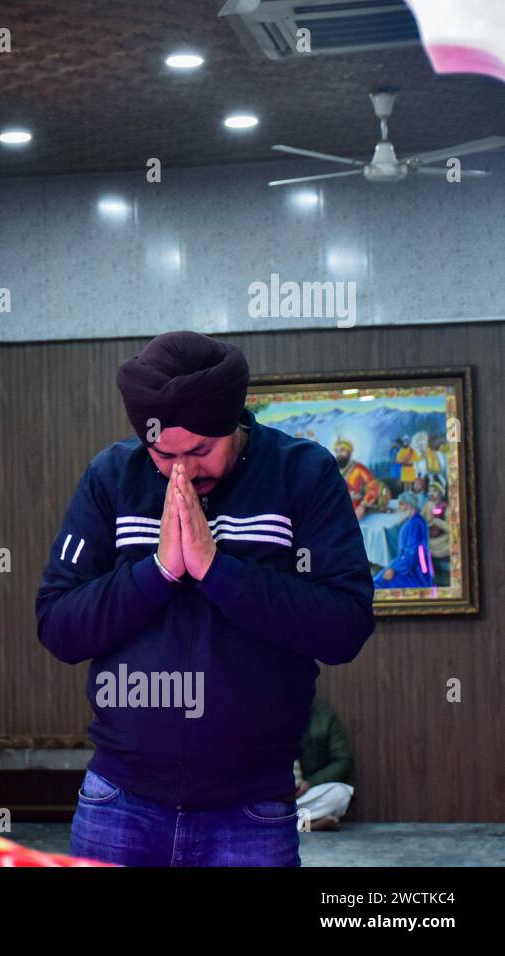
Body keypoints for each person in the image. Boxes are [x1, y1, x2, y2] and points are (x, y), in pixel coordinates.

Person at [36, 330, 375, 866]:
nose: (183, 472)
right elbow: (58, 625)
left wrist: (219, 571)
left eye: (200, 450)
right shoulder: (111, 476)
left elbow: (345, 626)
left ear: (234, 421)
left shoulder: (302, 473)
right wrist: (158, 572)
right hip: (119, 800)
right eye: (162, 453)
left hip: (250, 809)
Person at [294, 698, 356, 831]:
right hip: (270, 796)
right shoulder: (262, 713)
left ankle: (294, 824)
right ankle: (307, 825)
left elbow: (343, 761)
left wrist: (310, 783)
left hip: (303, 794)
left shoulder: (323, 717)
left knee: (340, 794)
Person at [373, 492, 434, 589]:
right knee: (379, 578)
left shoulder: (414, 524)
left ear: (409, 505)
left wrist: (394, 569)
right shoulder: (416, 520)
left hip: (414, 569)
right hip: (410, 564)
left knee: (379, 583)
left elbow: (411, 553)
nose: (399, 508)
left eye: (401, 504)